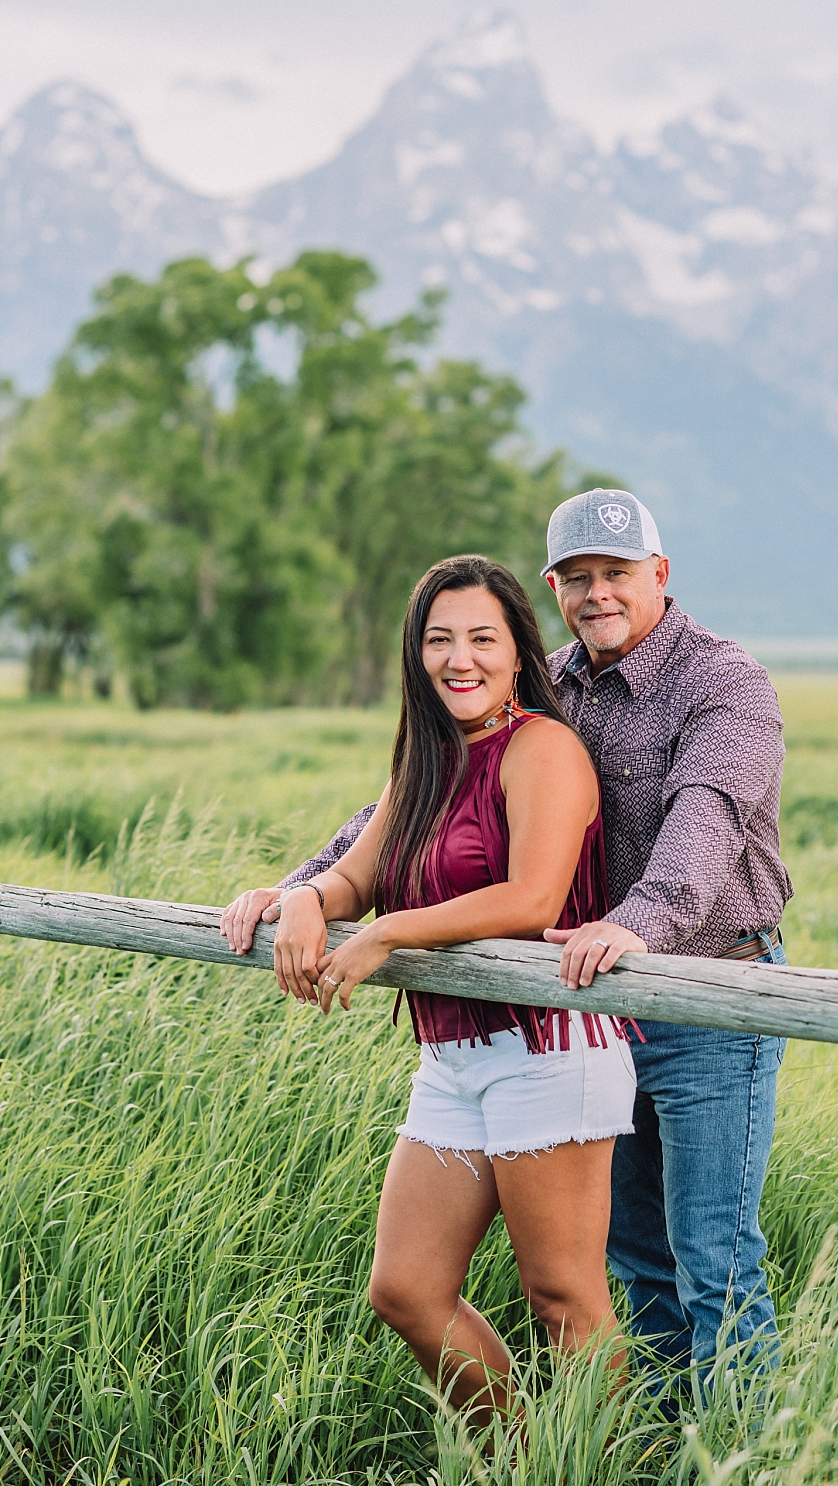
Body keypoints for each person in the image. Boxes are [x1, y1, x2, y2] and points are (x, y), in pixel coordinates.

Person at [224, 488, 792, 1389]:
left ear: (660, 574)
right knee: (634, 1264)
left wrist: (636, 925)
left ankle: (745, 1479)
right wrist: (299, 890)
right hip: (586, 996)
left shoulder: (722, 682)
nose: (597, 594)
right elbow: (410, 807)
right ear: (554, 590)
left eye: (615, 574)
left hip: (702, 991)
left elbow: (707, 818)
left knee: (713, 1261)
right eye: (576, 578)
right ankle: (642, 1459)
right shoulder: (546, 678)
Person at [223, 555, 636, 1422]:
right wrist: (304, 897)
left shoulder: (544, 750)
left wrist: (385, 933)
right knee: (406, 1290)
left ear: (519, 652)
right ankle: (521, 1466)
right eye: (439, 639)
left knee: (560, 1295)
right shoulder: (424, 761)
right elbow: (356, 877)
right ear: (416, 654)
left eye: (482, 639)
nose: (461, 659)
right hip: (452, 1055)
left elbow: (531, 897)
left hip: (548, 1049)